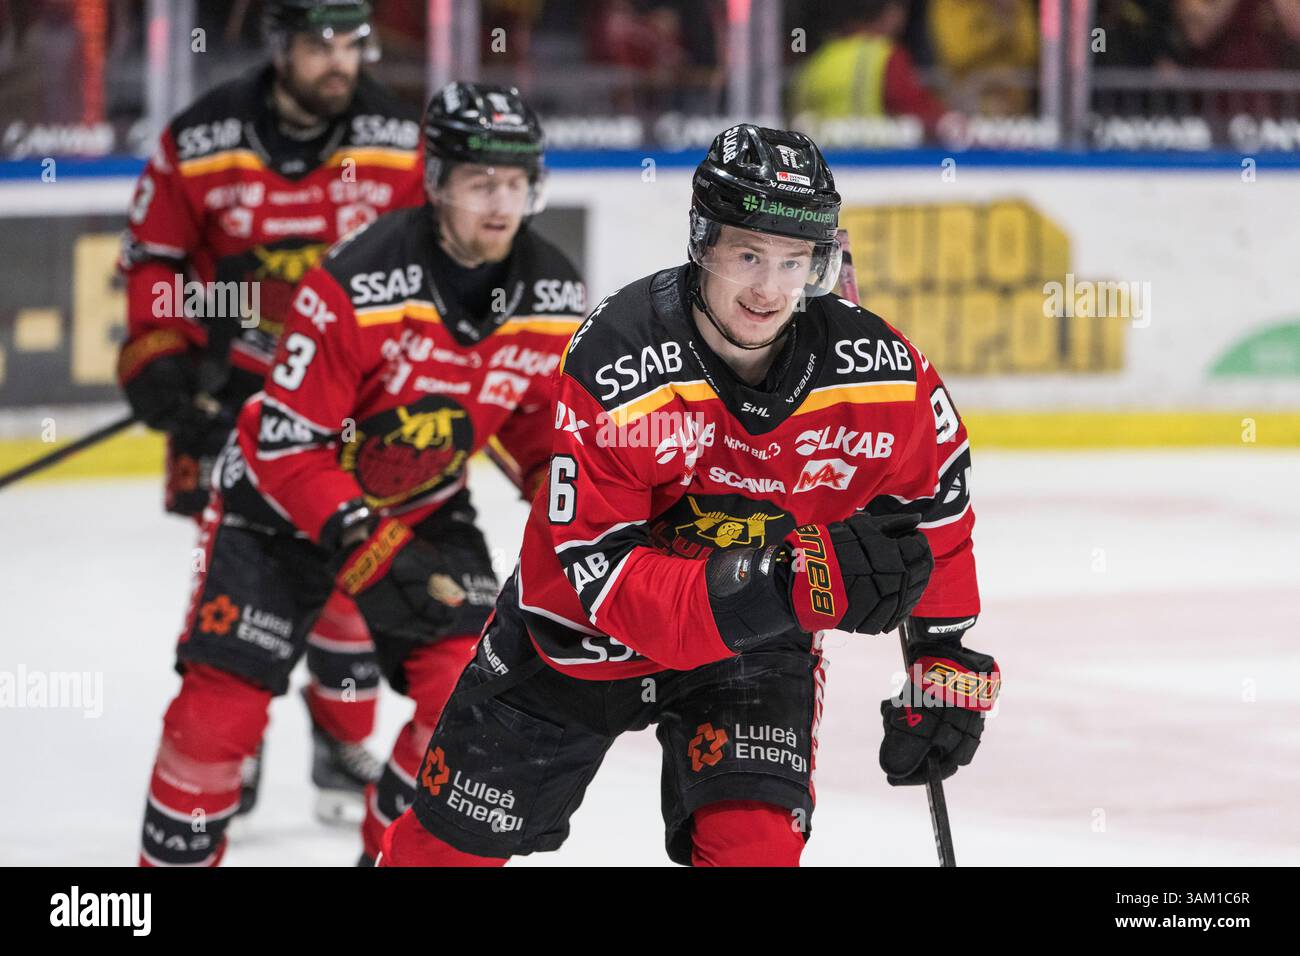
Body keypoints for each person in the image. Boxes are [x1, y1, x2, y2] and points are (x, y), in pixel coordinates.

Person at [379, 124, 999, 867]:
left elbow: (935, 499)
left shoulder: (877, 368)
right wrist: (781, 584)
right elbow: (606, 578)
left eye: (793, 261)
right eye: (747, 255)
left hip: (751, 645)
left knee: (754, 853)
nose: (769, 289)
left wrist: (944, 658)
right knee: (437, 858)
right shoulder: (621, 355)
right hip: (577, 637)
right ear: (703, 242)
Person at [136, 80, 585, 866]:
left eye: (517, 184)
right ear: (438, 181)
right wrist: (371, 548)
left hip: (421, 505)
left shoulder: (553, 286)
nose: (501, 204)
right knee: (215, 725)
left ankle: (391, 854)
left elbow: (531, 424)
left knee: (464, 706)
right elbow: (285, 446)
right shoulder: (355, 281)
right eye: (482, 182)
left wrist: (577, 501)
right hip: (274, 511)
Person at [118, 0, 425, 825]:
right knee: (240, 571)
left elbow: (429, 262)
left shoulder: (399, 141)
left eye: (352, 43)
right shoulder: (200, 140)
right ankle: (236, 740)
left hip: (356, 402)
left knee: (351, 570)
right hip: (237, 392)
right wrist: (162, 354)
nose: (340, 61)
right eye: (321, 44)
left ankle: (337, 737)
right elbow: (159, 259)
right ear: (281, 44)